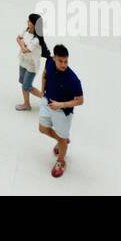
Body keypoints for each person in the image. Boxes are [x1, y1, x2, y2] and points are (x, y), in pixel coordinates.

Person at [31, 44, 84, 177]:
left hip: (63, 112)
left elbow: (80, 100)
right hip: (47, 102)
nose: (64, 64)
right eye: (60, 61)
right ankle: (62, 141)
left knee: (62, 138)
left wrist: (60, 105)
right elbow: (45, 74)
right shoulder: (49, 61)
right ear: (54, 58)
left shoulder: (73, 79)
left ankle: (61, 160)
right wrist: (43, 90)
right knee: (42, 128)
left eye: (66, 61)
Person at [15, 13, 49, 112]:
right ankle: (27, 103)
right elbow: (18, 38)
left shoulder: (37, 40)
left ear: (34, 24)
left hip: (31, 65)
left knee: (26, 86)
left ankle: (43, 99)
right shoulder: (26, 30)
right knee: (22, 81)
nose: (27, 22)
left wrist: (21, 44)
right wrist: (23, 44)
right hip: (23, 61)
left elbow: (25, 50)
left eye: (29, 21)